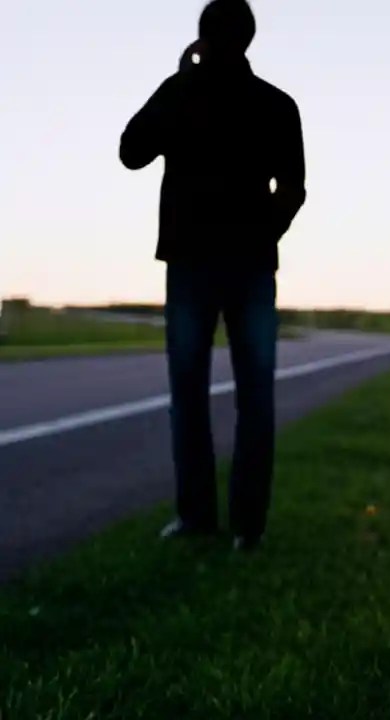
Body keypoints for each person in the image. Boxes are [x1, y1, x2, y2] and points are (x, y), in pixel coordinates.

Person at [119, 0, 306, 551]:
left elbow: (130, 151)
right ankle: (247, 527)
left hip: (192, 265)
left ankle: (198, 516)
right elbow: (293, 191)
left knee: (190, 394)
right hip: (247, 268)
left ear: (201, 37)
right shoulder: (275, 104)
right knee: (254, 399)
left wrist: (178, 81)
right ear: (248, 39)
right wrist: (262, 234)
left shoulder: (182, 92)